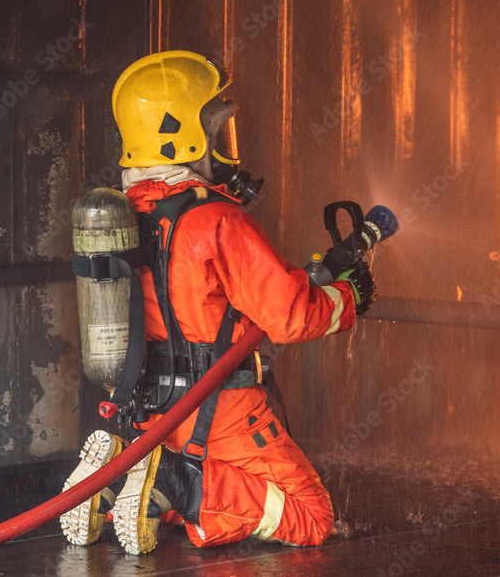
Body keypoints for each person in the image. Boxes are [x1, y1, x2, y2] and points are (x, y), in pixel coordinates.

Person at [59, 50, 375, 554]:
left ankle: (123, 479)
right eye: (216, 130)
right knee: (311, 515)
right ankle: (175, 483)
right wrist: (349, 297)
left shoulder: (127, 219)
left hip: (151, 416)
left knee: (189, 491)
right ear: (184, 134)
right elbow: (290, 315)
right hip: (222, 413)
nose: (225, 145)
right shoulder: (217, 222)